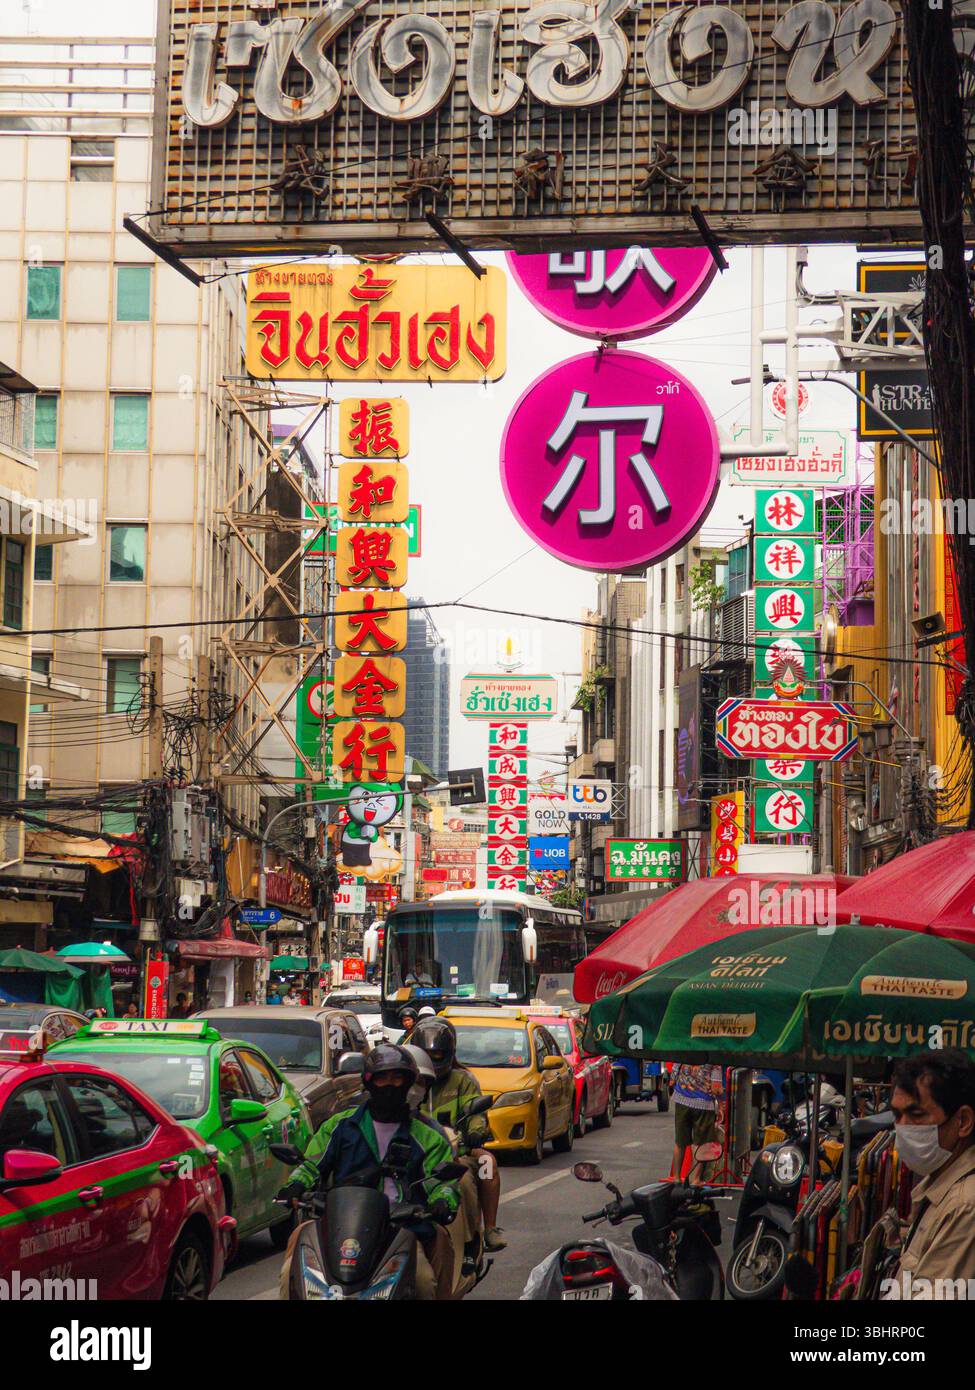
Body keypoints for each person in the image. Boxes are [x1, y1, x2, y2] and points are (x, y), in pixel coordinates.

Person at [281, 1044, 459, 1299]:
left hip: (401, 1228)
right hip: (340, 1227)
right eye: (382, 1078)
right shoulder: (340, 1127)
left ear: (408, 1083)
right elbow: (310, 1164)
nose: (389, 1084)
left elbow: (442, 1182)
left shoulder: (427, 1137)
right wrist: (296, 1186)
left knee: (424, 1281)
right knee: (292, 1270)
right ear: (369, 1082)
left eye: (397, 1078)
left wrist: (442, 1199)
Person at [879, 1050, 975, 1299]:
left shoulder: (965, 1206)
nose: (902, 1127)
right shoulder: (938, 1184)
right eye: (897, 1115)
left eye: (917, 1114)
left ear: (963, 1121)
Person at [412, 1016, 505, 1252]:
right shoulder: (408, 1080)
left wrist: (476, 1132)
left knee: (486, 1163)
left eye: (438, 1056)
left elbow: (476, 1113)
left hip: (458, 1152)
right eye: (426, 1056)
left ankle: (483, 1232)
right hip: (415, 1151)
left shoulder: (463, 1080)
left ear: (450, 1053)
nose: (432, 1062)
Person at [670, 1062, 724, 1185]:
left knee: (680, 1142)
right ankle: (695, 1179)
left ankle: (677, 1178)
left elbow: (673, 1076)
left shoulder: (685, 1049)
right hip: (703, 1104)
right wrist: (720, 1104)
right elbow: (716, 1088)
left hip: (681, 1100)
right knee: (702, 1144)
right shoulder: (713, 1056)